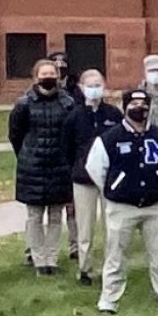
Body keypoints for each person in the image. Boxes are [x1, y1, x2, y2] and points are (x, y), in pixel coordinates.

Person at [86, 88, 158, 313]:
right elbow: (96, 169)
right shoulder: (109, 139)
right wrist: (116, 187)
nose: (139, 108)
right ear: (125, 106)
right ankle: (109, 301)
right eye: (134, 103)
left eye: (143, 103)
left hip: (156, 207)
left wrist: (157, 185)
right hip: (121, 208)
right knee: (116, 256)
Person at [8, 58, 77, 276]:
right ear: (35, 78)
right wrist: (28, 155)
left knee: (56, 217)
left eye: (52, 74)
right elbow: (15, 135)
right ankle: (38, 260)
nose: (48, 78)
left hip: (59, 168)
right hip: (32, 168)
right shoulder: (23, 104)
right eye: (43, 74)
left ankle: (52, 258)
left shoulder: (68, 103)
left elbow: (71, 136)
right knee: (35, 217)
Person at [62, 68, 120, 285]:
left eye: (98, 85)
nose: (94, 89)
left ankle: (110, 267)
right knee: (84, 226)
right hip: (82, 179)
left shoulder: (113, 115)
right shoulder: (74, 116)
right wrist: (74, 169)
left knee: (111, 224)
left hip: (110, 179)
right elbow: (66, 148)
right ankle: (85, 268)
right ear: (82, 88)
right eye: (90, 85)